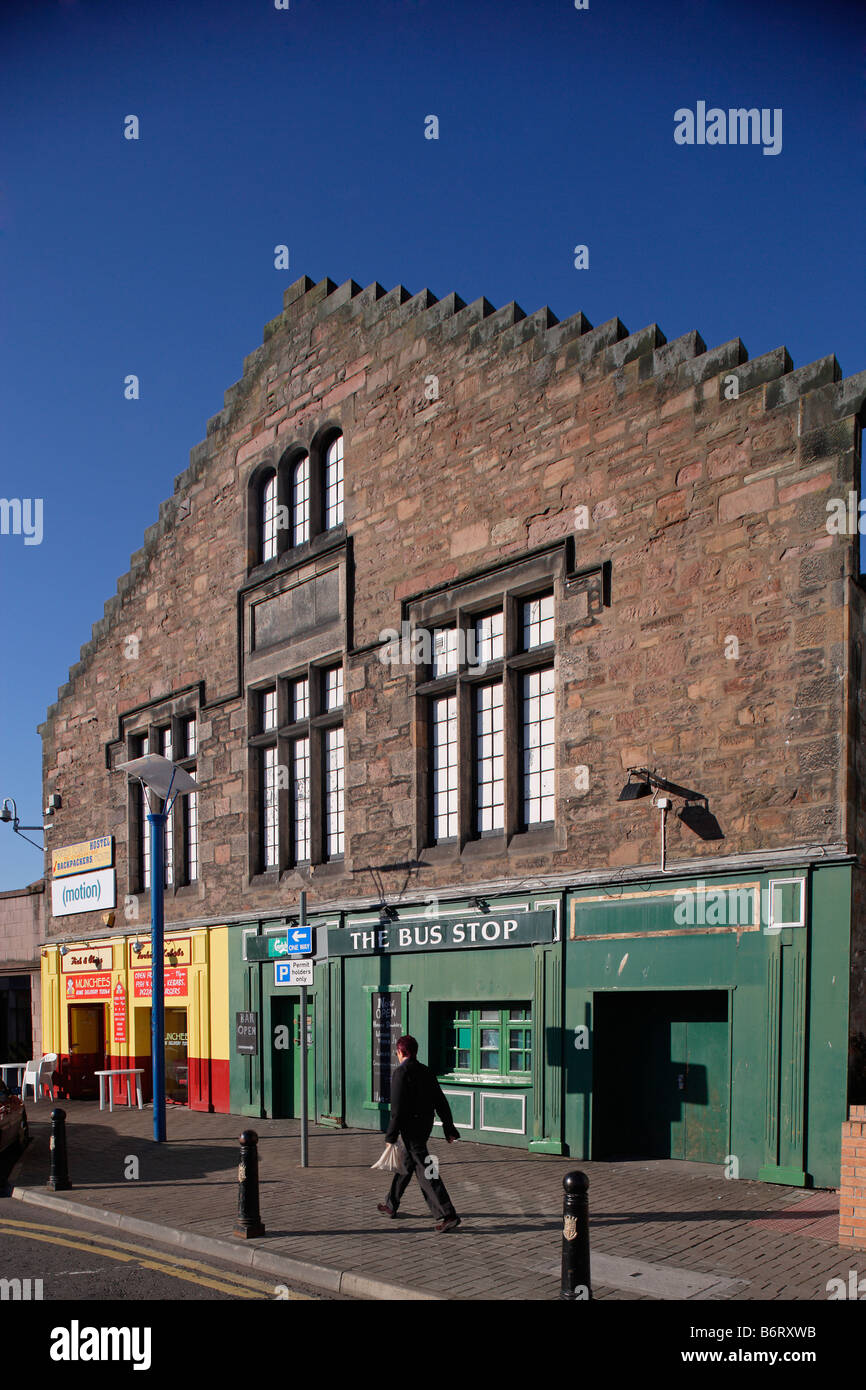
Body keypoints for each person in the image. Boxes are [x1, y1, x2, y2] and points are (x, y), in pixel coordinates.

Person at [377, 1034, 461, 1232]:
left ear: (400, 1052)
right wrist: (449, 1127)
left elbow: (396, 1110)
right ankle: (391, 1204)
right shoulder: (426, 1071)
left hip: (410, 1131)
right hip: (424, 1127)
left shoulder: (401, 1073)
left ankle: (448, 1214)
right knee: (406, 1164)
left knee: (427, 1172)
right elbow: (441, 1101)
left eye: (397, 1052)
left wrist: (390, 1137)